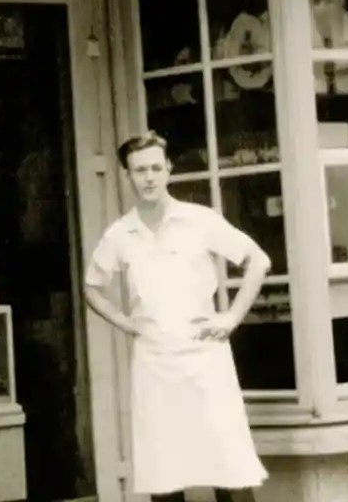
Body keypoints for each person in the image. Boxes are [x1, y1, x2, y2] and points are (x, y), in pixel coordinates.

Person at [84, 131, 271, 502]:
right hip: (154, 363)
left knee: (228, 469)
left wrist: (231, 317)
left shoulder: (197, 220)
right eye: (139, 170)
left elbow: (258, 261)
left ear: (168, 169)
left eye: (156, 167)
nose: (149, 177)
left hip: (205, 359)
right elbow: (91, 286)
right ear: (126, 175)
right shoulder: (121, 233)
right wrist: (125, 322)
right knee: (164, 472)